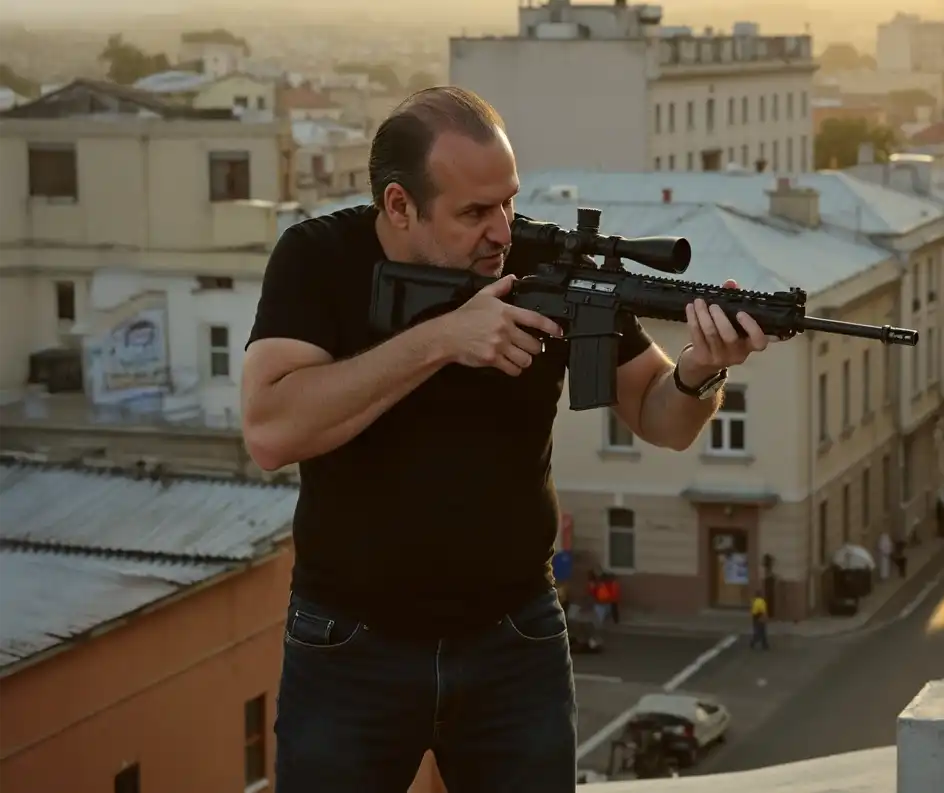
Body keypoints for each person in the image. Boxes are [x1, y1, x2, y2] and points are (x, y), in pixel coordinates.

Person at [241, 85, 772, 793]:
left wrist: (704, 370)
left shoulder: (544, 265)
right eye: (473, 212)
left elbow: (659, 414)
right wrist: (442, 340)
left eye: (508, 202)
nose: (501, 229)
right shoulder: (319, 258)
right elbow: (270, 430)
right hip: (348, 645)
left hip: (513, 643)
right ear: (399, 206)